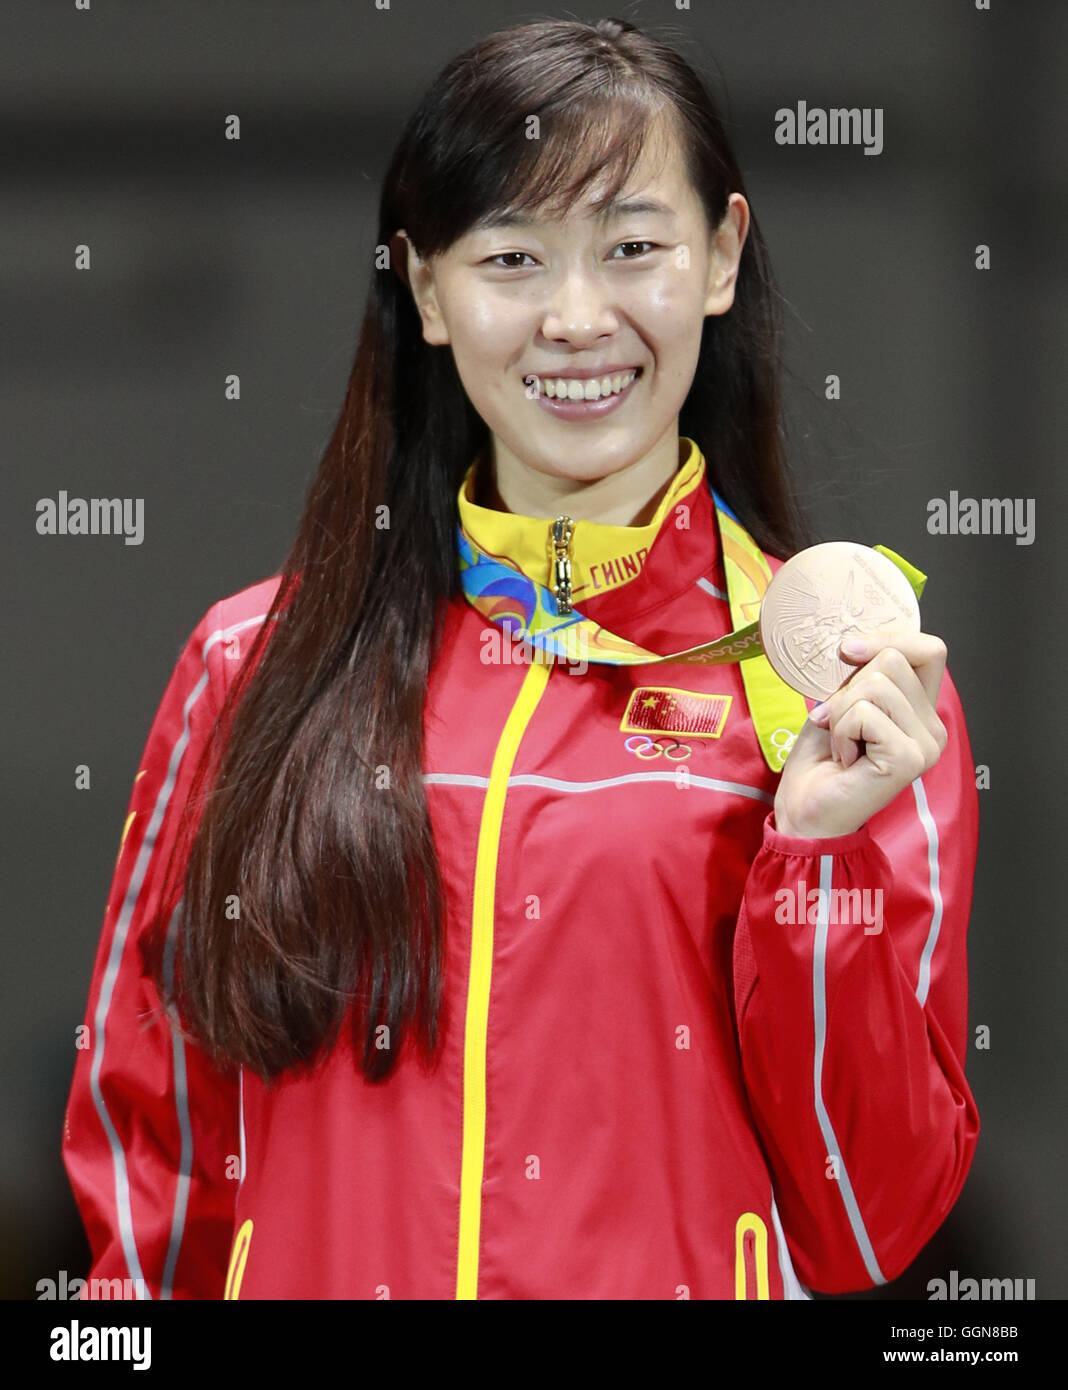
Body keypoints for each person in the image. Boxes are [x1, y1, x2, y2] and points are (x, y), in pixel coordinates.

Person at [62, 16, 979, 1301]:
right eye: (511, 257)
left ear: (721, 256)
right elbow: (148, 1141)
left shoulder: (843, 697)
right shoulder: (249, 665)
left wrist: (818, 859)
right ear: (429, 291)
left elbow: (868, 1224)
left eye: (634, 247)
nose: (576, 317)